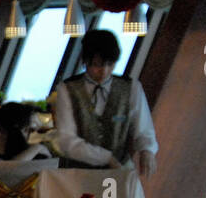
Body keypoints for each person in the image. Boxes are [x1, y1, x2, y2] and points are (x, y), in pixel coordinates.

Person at [54, 29, 158, 177]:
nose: (104, 71)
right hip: (78, 173)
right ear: (85, 61)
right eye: (97, 65)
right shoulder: (67, 89)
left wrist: (147, 150)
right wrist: (105, 157)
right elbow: (66, 140)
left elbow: (143, 129)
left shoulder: (131, 87)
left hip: (119, 171)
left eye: (110, 64)